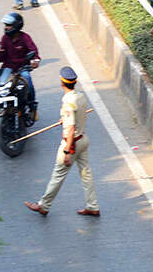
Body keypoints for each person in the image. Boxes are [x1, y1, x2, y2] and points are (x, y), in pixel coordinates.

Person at [25, 66, 99, 217]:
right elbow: (78, 116)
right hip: (83, 139)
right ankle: (93, 205)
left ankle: (44, 205)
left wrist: (67, 151)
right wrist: (64, 119)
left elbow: (70, 128)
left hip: (72, 143)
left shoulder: (68, 102)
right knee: (86, 174)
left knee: (58, 175)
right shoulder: (80, 96)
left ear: (62, 82)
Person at [0, 11, 38, 138]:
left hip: (22, 69)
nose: (6, 27)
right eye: (5, 25)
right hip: (7, 69)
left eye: (8, 25)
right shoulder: (5, 38)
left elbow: (34, 51)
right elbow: (1, 54)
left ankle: (32, 107)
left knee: (28, 82)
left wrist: (35, 61)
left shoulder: (25, 38)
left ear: (16, 26)